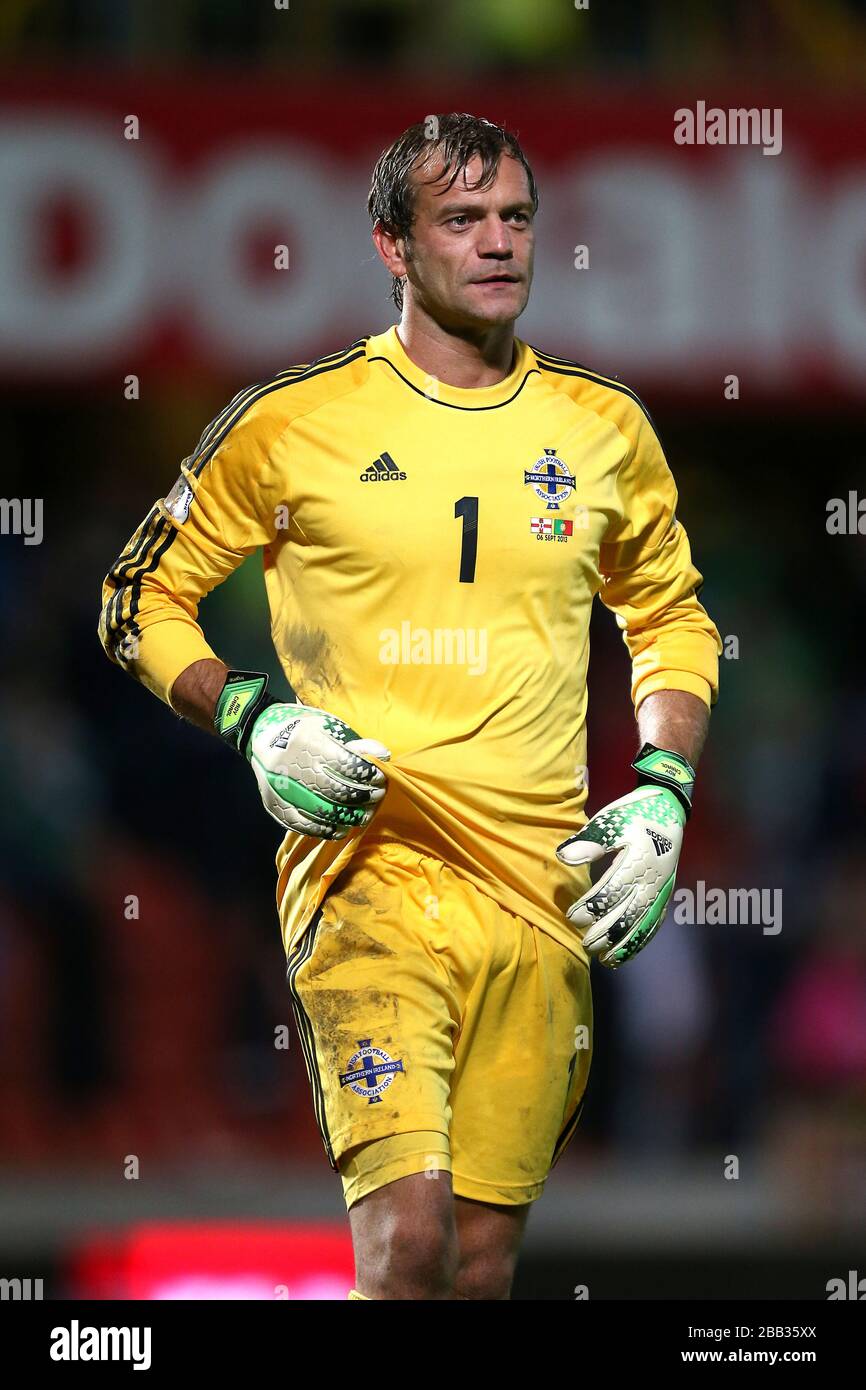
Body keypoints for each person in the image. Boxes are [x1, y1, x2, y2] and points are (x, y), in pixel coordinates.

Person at [98, 112, 721, 1300]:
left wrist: (660, 791)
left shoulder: (602, 431)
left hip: (541, 897)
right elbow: (139, 598)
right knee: (406, 1238)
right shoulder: (292, 423)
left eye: (516, 217)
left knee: (477, 1268)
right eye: (460, 220)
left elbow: (671, 618)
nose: (497, 243)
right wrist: (251, 719)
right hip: (365, 874)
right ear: (390, 245)